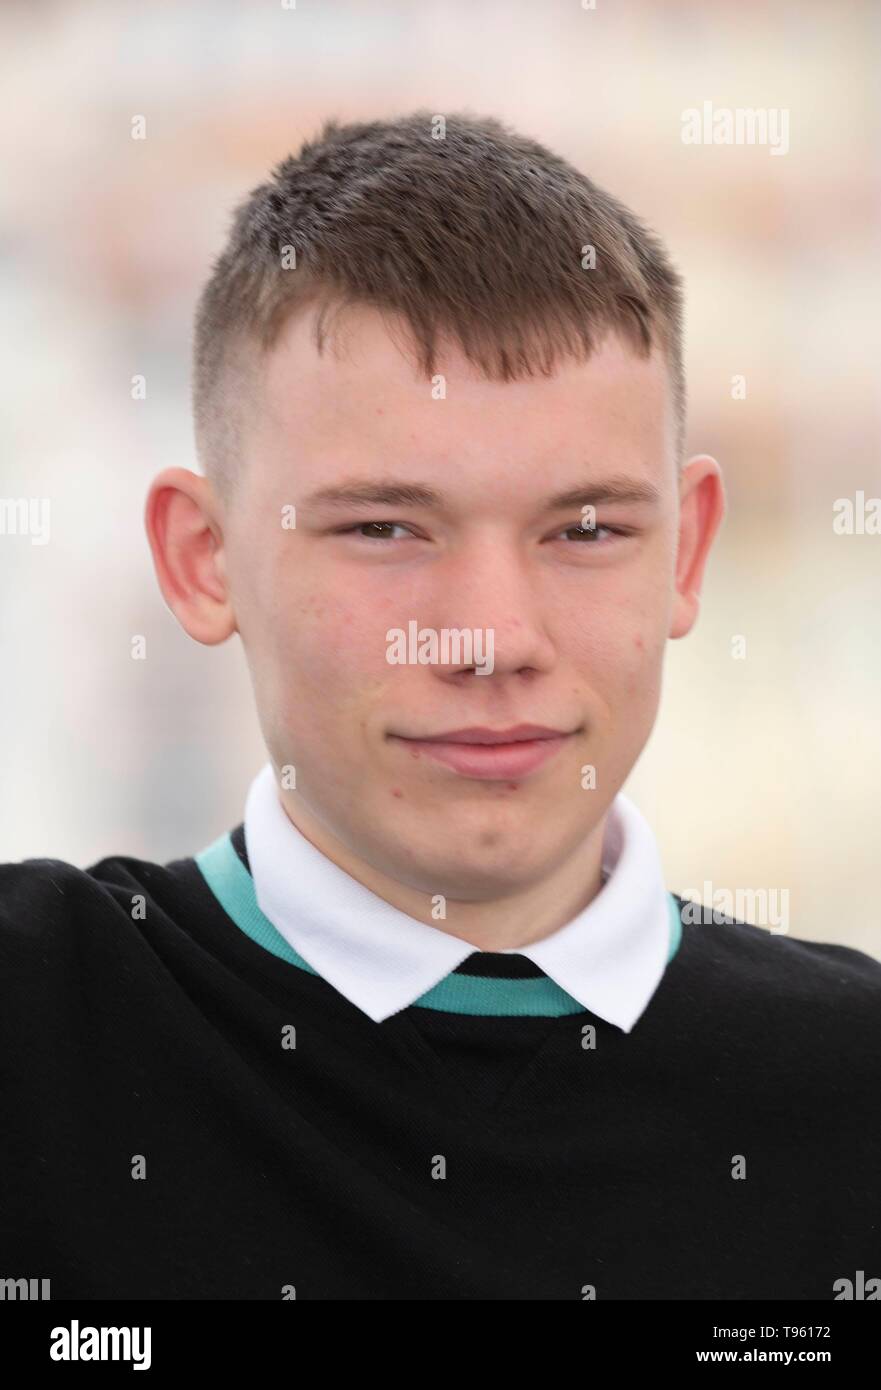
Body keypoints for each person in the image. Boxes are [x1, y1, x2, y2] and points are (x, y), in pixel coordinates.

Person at [1, 111, 878, 1302]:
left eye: (583, 530)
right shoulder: (37, 1033)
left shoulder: (850, 1091)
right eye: (383, 529)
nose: (489, 638)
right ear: (204, 558)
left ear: (685, 553)